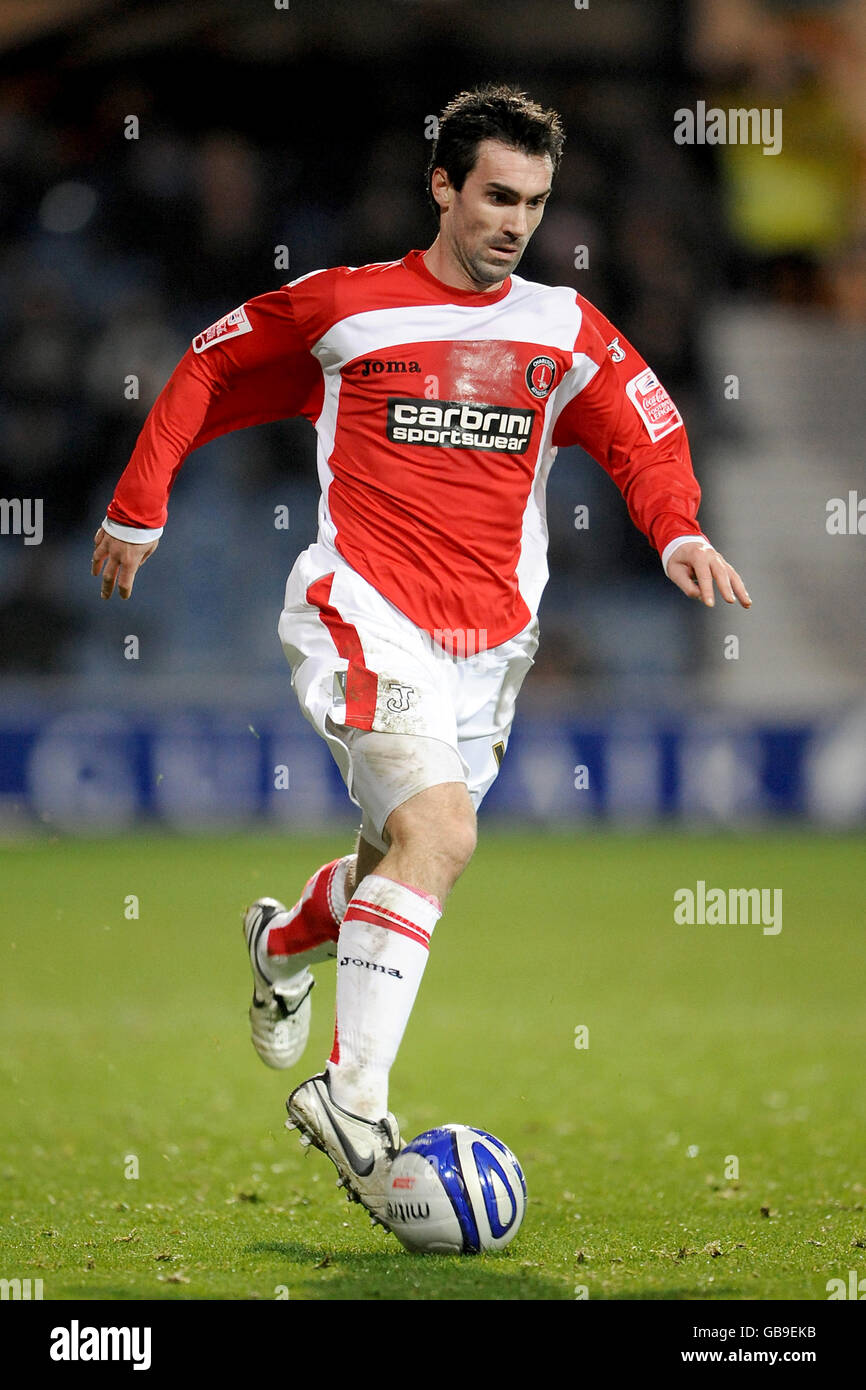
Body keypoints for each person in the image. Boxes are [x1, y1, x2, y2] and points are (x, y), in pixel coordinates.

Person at [91, 84, 751, 1230]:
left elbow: (644, 432)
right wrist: (138, 512)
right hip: (364, 612)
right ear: (441, 186)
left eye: (533, 203)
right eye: (494, 194)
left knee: (396, 863)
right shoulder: (348, 306)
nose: (513, 221)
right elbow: (203, 361)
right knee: (441, 835)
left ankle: (281, 938)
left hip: (486, 653)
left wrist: (678, 525)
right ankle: (352, 1102)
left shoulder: (560, 328)